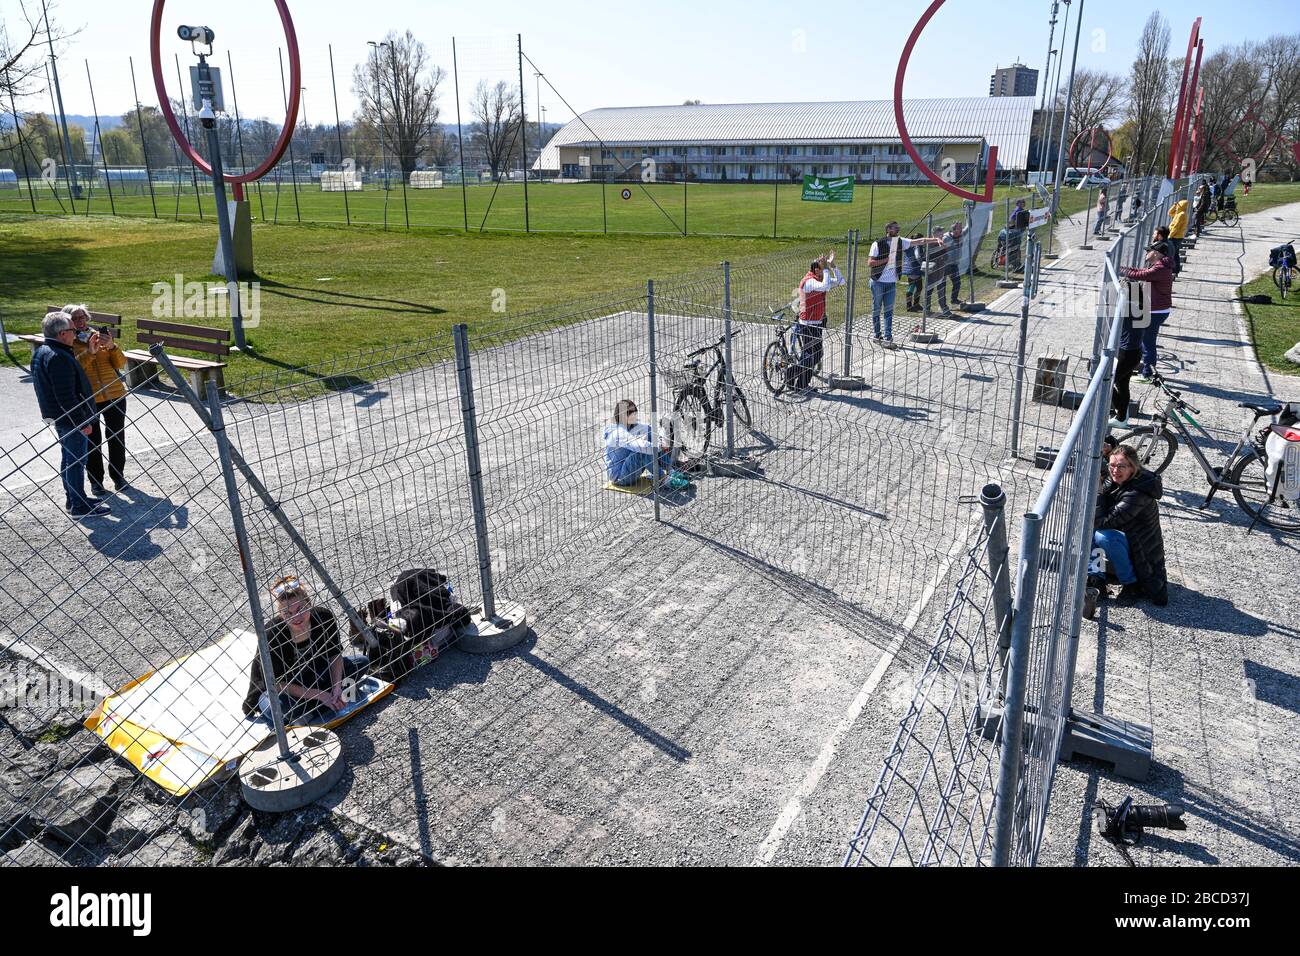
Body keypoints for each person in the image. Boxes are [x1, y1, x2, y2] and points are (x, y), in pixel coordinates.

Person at [242, 576, 368, 724]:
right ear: (280, 614)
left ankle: (318, 707)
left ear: (309, 603)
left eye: (300, 609)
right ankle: (320, 705)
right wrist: (321, 695)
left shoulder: (323, 617)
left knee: (362, 663)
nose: (296, 617)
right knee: (278, 708)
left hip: (314, 675)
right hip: (284, 688)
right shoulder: (272, 633)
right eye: (287, 613)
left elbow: (334, 654)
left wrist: (336, 687)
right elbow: (276, 684)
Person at [31, 312, 109, 519]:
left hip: (60, 417)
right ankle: (79, 506)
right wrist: (82, 421)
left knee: (69, 459)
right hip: (70, 419)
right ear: (63, 333)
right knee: (76, 461)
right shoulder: (58, 357)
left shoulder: (43, 351)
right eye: (73, 330)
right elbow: (66, 395)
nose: (77, 333)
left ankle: (75, 498)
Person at [1089, 445, 1168, 607]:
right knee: (1091, 530)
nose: (1115, 470)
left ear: (1133, 467)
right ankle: (1096, 578)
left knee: (1103, 535)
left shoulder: (1137, 494)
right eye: (1112, 465)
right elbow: (1112, 463)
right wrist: (1108, 450)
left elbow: (1104, 522)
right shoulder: (1122, 479)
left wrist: (1097, 492)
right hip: (1128, 541)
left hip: (1142, 553)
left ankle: (1130, 583)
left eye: (1121, 466)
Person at [868, 220, 942, 349]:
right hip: (877, 282)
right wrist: (887, 259)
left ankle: (888, 338)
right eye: (896, 228)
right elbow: (870, 262)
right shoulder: (877, 244)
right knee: (876, 309)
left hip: (891, 283)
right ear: (888, 229)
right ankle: (877, 335)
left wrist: (935, 239)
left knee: (889, 311)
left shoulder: (900, 241)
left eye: (898, 227)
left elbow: (920, 241)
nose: (898, 229)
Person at [76, 321, 130, 495]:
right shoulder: (69, 342)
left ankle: (118, 476)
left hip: (115, 395)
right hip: (88, 398)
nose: (80, 320)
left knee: (117, 437)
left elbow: (120, 363)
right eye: (75, 317)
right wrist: (89, 353)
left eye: (83, 316)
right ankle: (96, 481)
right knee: (92, 441)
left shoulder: (100, 337)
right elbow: (75, 369)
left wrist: (112, 346)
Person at [603, 399, 691, 491]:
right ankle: (664, 479)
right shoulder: (619, 433)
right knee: (642, 451)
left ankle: (671, 471)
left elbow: (649, 429)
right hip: (620, 477)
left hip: (630, 468)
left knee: (649, 437)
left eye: (635, 411)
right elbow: (638, 446)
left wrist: (659, 440)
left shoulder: (631, 425)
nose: (634, 414)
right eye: (630, 412)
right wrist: (659, 446)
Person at [1120, 244, 1176, 382]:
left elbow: (1140, 274)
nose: (1146, 253)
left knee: (1147, 342)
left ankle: (1148, 374)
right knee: (1146, 341)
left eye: (1149, 251)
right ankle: (1146, 369)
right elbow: (1140, 271)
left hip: (1155, 311)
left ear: (1156, 253)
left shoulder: (1160, 269)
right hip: (1157, 309)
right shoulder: (1159, 266)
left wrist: (1120, 270)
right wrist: (1123, 268)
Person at [792, 249, 845, 388]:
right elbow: (826, 286)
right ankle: (791, 374)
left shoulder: (820, 279)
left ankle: (801, 384)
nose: (823, 271)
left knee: (813, 355)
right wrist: (826, 269)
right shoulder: (809, 281)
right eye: (822, 269)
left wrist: (832, 266)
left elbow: (841, 281)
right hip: (808, 323)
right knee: (811, 355)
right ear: (817, 270)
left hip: (816, 322)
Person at [922, 225, 951, 316]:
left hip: (941, 271)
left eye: (942, 233)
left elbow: (946, 258)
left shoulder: (942, 243)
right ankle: (926, 310)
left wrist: (945, 249)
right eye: (940, 233)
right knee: (928, 291)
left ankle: (943, 308)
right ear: (934, 234)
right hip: (931, 272)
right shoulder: (928, 244)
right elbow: (924, 257)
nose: (942, 235)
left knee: (941, 290)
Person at [942, 221, 965, 304]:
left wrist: (968, 212)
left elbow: (969, 227)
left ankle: (954, 300)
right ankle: (942, 303)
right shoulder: (945, 238)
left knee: (957, 283)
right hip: (945, 265)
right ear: (954, 230)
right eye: (959, 228)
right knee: (942, 285)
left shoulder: (961, 235)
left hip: (954, 265)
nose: (962, 229)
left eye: (961, 227)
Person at [1006, 199, 1031, 272]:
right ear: (1018, 203)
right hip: (1017, 231)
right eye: (1022, 202)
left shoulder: (1021, 210)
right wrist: (1016, 226)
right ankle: (1016, 265)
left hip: (1019, 231)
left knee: (1018, 247)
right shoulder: (1018, 210)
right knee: (1016, 247)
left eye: (1024, 202)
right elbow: (1011, 219)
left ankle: (1017, 264)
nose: (1024, 203)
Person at [903, 233, 925, 312]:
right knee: (916, 287)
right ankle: (912, 305)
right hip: (914, 269)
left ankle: (913, 305)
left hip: (909, 268)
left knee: (914, 286)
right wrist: (922, 264)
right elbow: (918, 256)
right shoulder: (917, 246)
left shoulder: (908, 245)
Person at [1167, 198, 1189, 272]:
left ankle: (1174, 269)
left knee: (1172, 253)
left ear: (1181, 206)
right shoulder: (1179, 213)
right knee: (1175, 253)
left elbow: (1176, 227)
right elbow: (1169, 213)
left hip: (1175, 237)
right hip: (1176, 236)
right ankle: (1176, 270)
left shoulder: (1181, 215)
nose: (1177, 206)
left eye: (1178, 205)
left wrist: (1170, 236)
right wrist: (1174, 205)